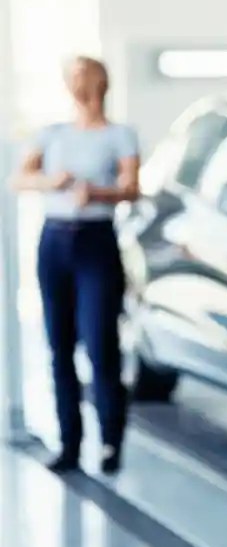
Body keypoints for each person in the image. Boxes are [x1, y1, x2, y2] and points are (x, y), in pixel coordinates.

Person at [10, 56, 141, 474]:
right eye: (76, 79)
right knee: (59, 347)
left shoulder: (120, 135)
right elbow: (19, 179)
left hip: (96, 242)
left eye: (89, 78)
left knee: (101, 346)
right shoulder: (52, 134)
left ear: (103, 83)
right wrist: (53, 182)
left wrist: (97, 194)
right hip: (55, 241)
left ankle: (110, 442)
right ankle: (69, 442)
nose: (83, 87)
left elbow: (131, 188)